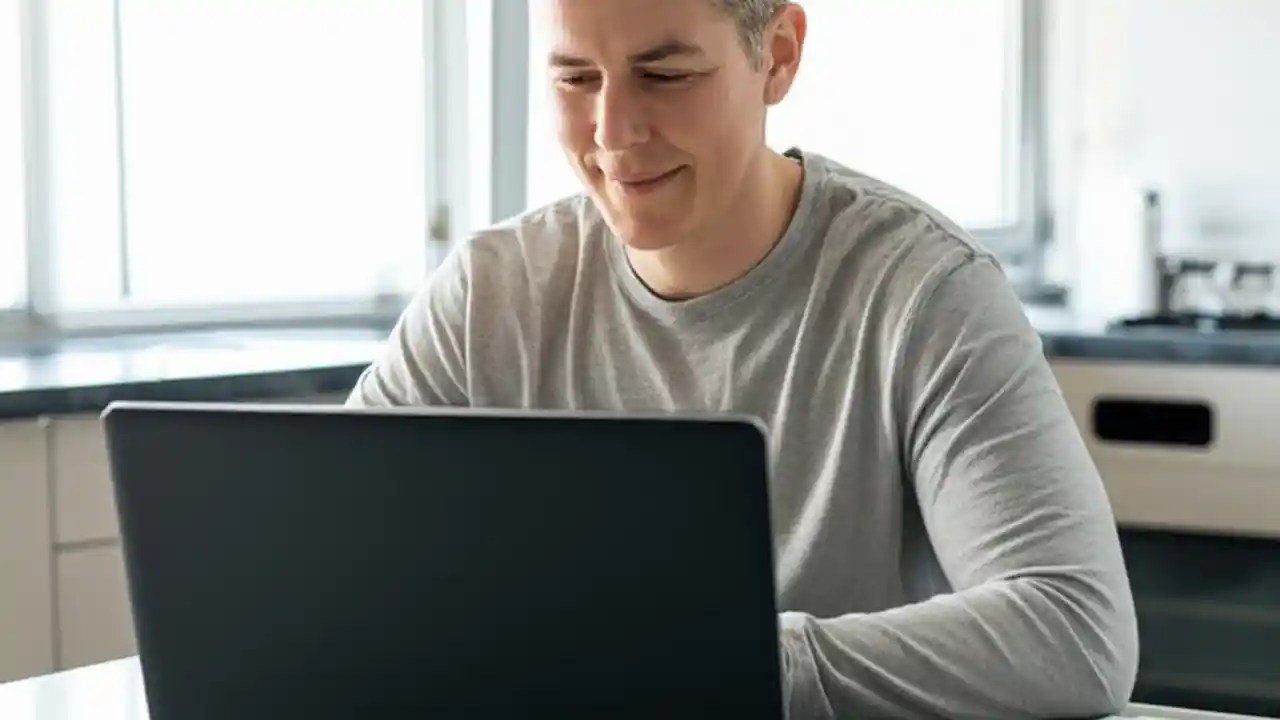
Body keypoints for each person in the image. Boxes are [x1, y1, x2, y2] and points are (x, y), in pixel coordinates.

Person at [347, 0, 1140, 716]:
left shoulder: (925, 291)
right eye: (576, 77)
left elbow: (1074, 628)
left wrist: (737, 665)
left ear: (780, 56)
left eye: (665, 74)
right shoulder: (489, 294)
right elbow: (333, 571)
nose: (612, 131)